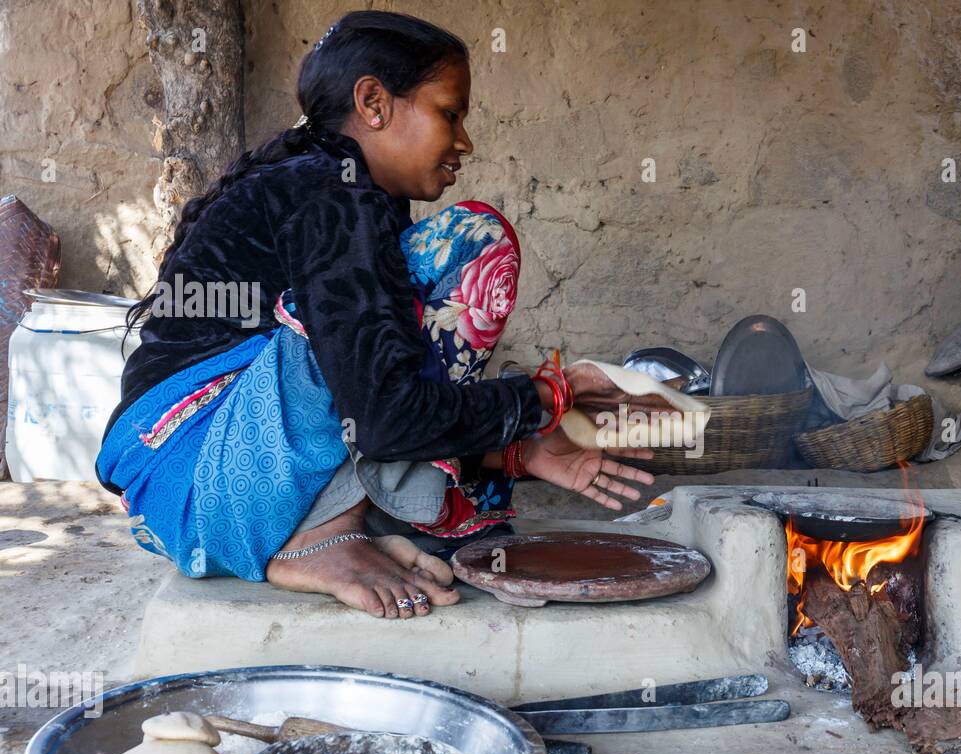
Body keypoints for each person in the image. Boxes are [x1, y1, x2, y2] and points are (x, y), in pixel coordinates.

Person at [98, 11, 653, 620]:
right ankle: (323, 535)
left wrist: (521, 450)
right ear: (374, 103)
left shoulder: (333, 187)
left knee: (397, 367)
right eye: (450, 112)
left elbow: (375, 402)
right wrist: (549, 395)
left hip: (190, 502)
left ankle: (309, 533)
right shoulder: (335, 196)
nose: (464, 140)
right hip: (206, 477)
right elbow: (385, 417)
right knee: (475, 238)